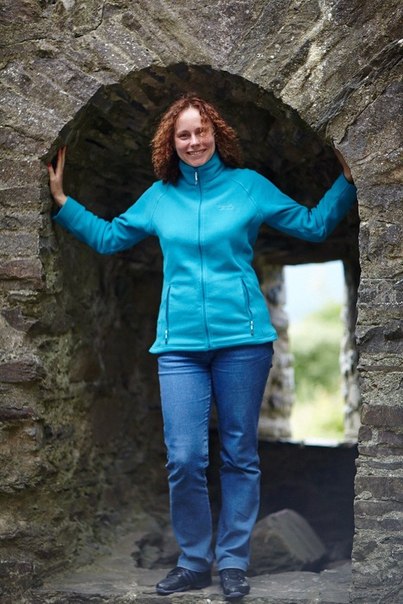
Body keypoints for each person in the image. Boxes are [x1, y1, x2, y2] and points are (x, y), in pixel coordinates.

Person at [48, 94, 356, 600]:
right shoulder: (159, 197)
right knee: (186, 458)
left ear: (217, 134)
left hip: (244, 342)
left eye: (201, 131)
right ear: (170, 143)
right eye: (184, 135)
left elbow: (313, 225)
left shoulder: (248, 186)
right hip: (180, 347)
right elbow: (109, 237)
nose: (194, 142)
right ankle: (194, 562)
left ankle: (232, 562)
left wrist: (346, 181)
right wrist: (64, 202)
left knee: (239, 455)